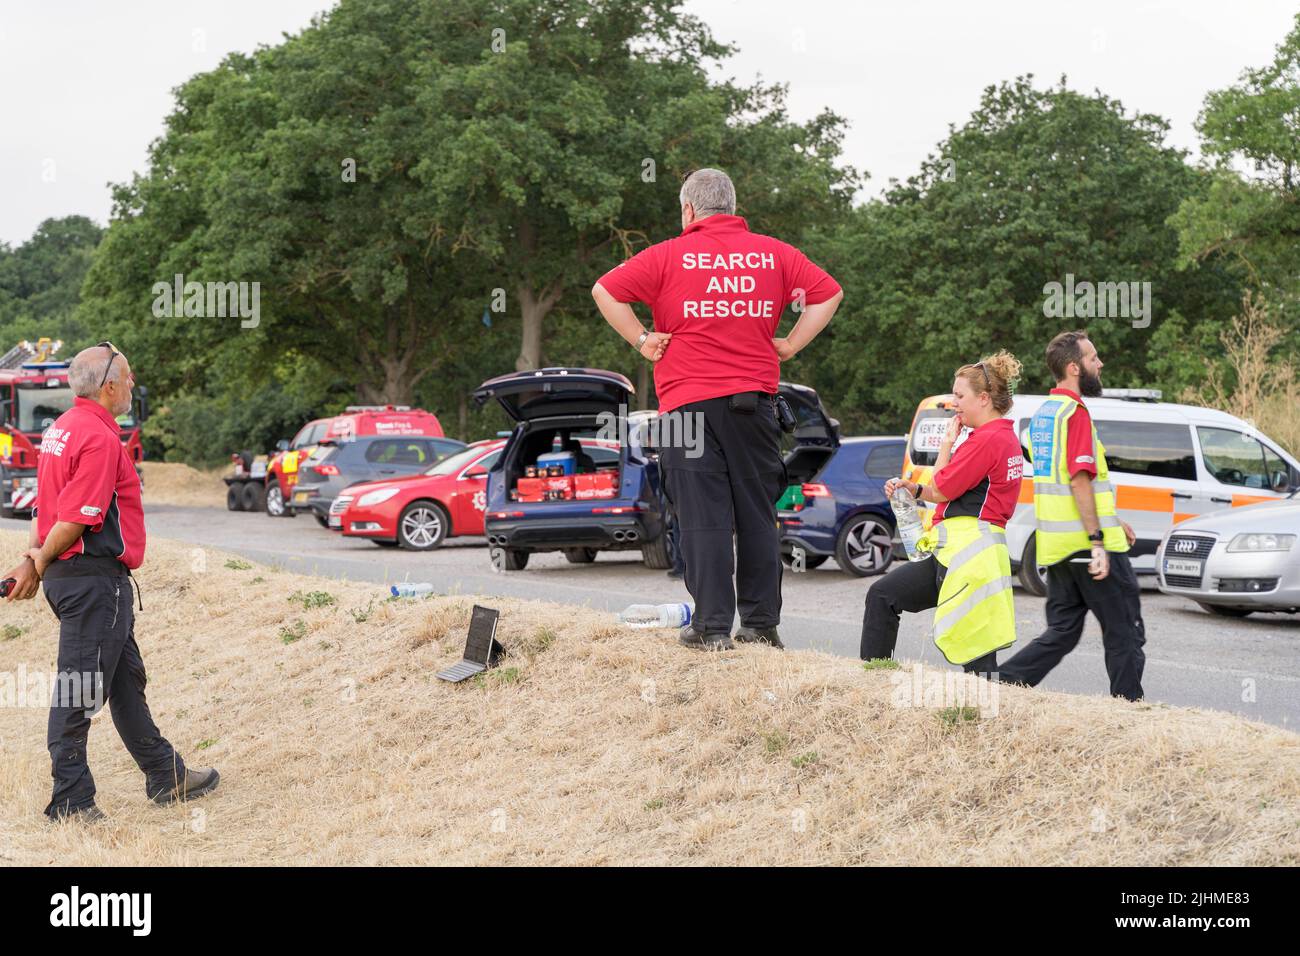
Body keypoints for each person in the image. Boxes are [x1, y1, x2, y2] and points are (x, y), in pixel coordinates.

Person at [592, 168, 843, 650]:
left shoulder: (666, 254)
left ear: (689, 210)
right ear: (732, 206)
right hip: (753, 405)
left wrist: (642, 340)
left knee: (700, 518)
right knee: (756, 514)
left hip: (683, 409)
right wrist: (791, 343)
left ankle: (710, 629)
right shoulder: (774, 253)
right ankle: (760, 625)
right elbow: (829, 292)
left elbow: (605, 289)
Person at [3, 342, 219, 821]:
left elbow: (44, 508)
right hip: (94, 581)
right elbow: (76, 518)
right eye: (129, 376)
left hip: (77, 579)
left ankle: (166, 775)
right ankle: (71, 801)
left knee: (124, 683)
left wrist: (32, 560)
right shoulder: (99, 439)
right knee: (78, 691)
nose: (133, 384)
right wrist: (38, 561)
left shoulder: (61, 429)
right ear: (109, 385)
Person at [998, 330, 1145, 700]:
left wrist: (1112, 519)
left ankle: (1000, 684)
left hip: (1057, 547)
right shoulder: (1075, 414)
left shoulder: (1044, 416)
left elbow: (1061, 480)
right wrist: (1098, 540)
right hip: (1089, 548)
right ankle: (1129, 708)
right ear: (1074, 368)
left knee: (1062, 632)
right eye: (1093, 358)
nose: (1100, 363)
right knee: (1125, 631)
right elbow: (1079, 479)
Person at [861, 351, 1025, 675]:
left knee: (976, 652)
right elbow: (942, 490)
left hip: (967, 557)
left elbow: (939, 488)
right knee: (885, 596)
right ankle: (876, 678)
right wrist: (914, 489)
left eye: (960, 396)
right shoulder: (1002, 437)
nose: (954, 403)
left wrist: (947, 445)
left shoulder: (986, 440)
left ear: (984, 398)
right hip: (963, 555)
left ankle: (876, 678)